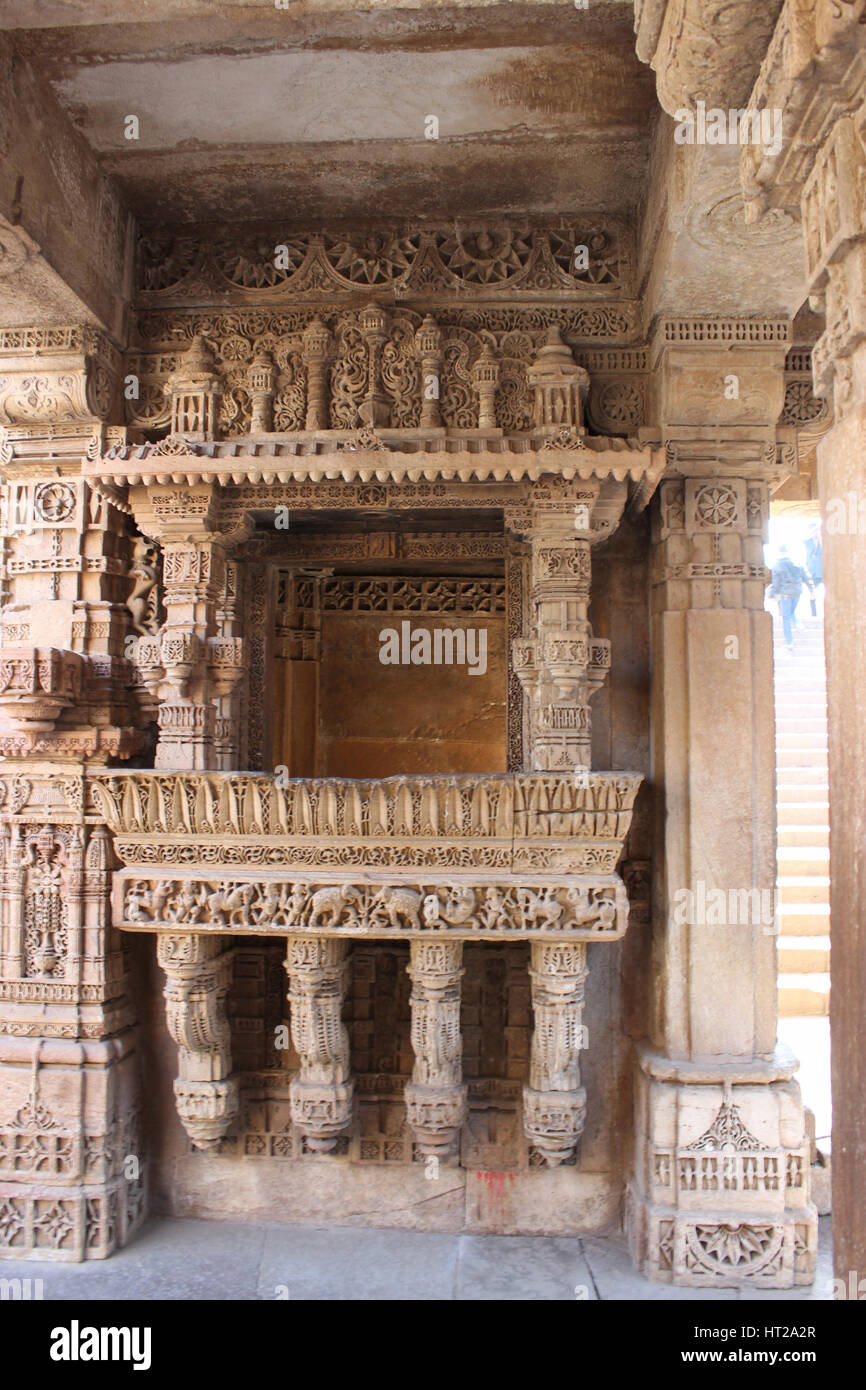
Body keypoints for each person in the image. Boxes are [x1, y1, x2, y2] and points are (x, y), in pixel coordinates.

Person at [768, 544, 813, 651]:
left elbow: (776, 583)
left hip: (785, 593)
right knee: (792, 611)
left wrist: (771, 594)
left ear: (779, 552)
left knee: (786, 617)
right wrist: (811, 590)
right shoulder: (796, 563)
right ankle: (798, 623)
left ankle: (789, 641)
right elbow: (805, 577)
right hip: (797, 592)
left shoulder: (777, 566)